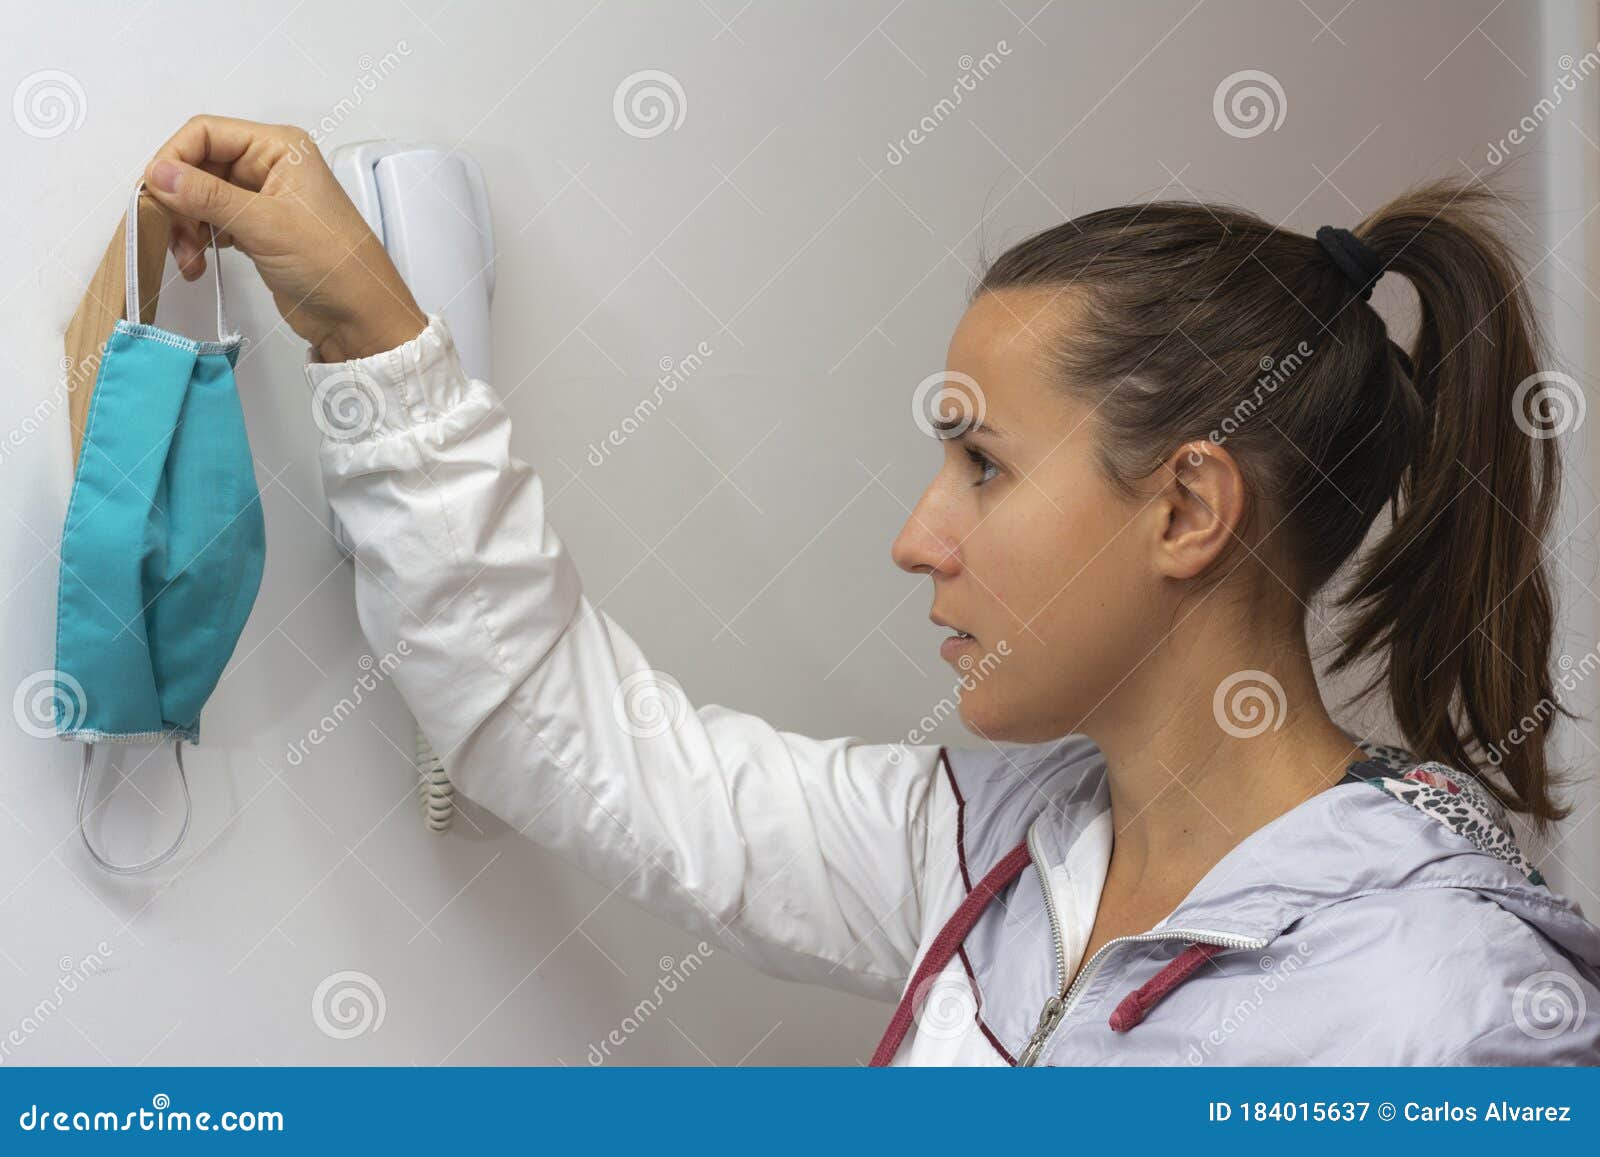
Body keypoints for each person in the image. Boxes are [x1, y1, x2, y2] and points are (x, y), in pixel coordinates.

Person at [139, 115, 1600, 1066]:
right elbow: (567, 734)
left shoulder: (1445, 1005)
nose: (916, 536)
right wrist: (379, 338)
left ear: (1188, 507)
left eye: (981, 463)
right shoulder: (988, 855)